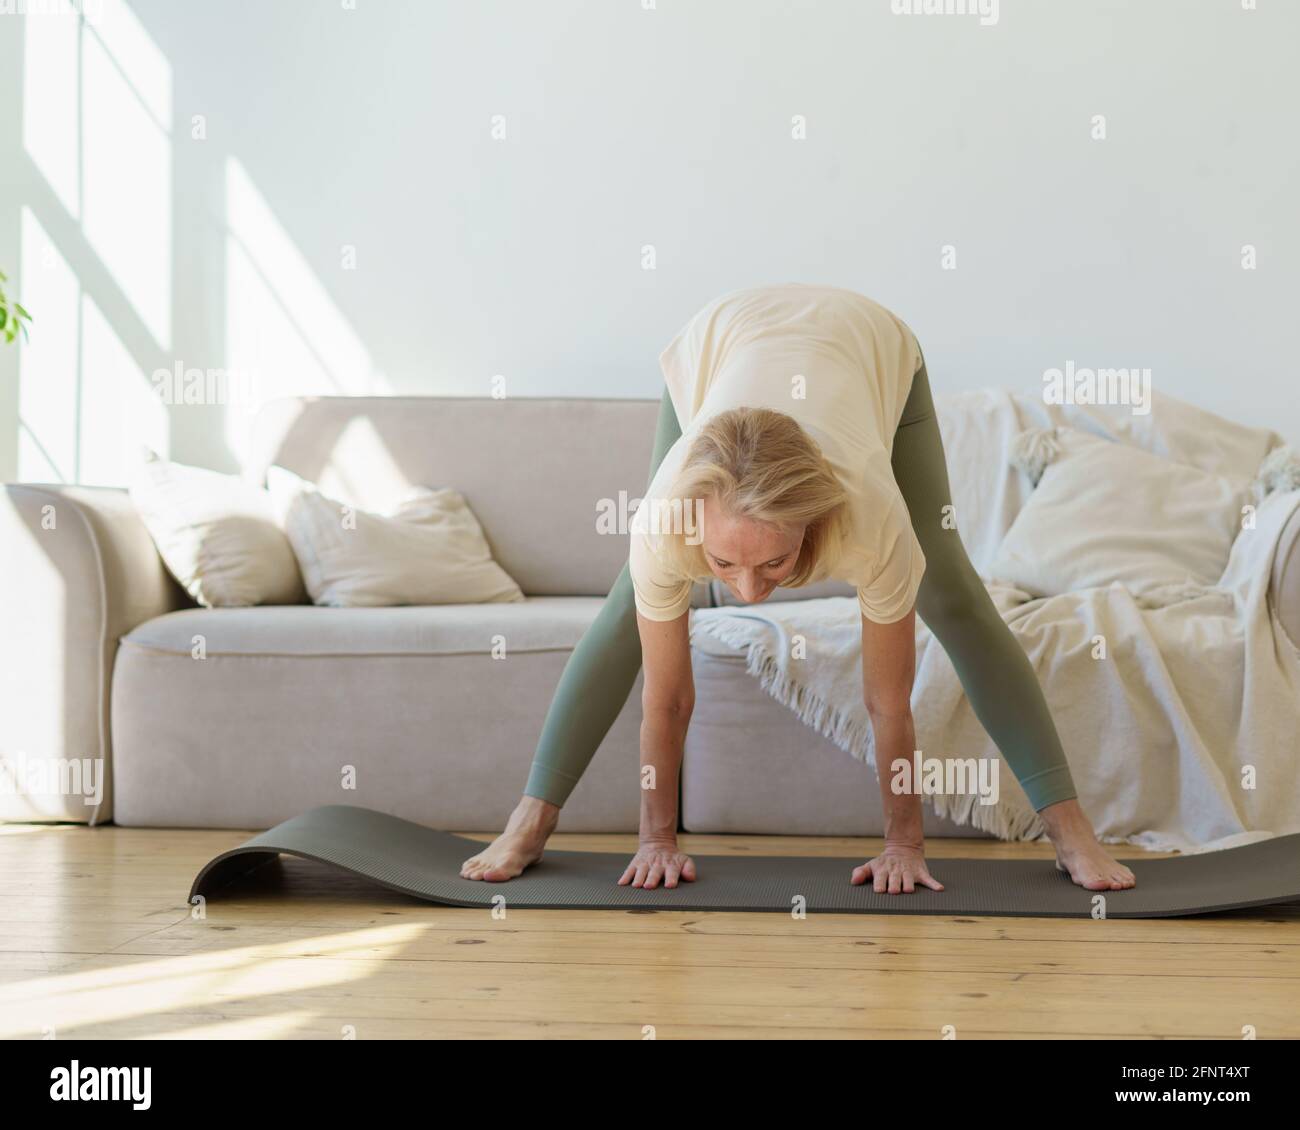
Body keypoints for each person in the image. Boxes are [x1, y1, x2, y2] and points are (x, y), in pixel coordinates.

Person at [461, 284, 1137, 894]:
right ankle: (529, 821)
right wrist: (655, 841)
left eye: (775, 564)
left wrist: (903, 844)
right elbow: (666, 699)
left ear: (815, 527)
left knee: (950, 592)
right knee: (625, 608)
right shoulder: (666, 524)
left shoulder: (868, 519)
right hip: (722, 340)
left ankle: (1070, 827)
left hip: (864, 340)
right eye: (724, 564)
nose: (751, 594)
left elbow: (886, 699)